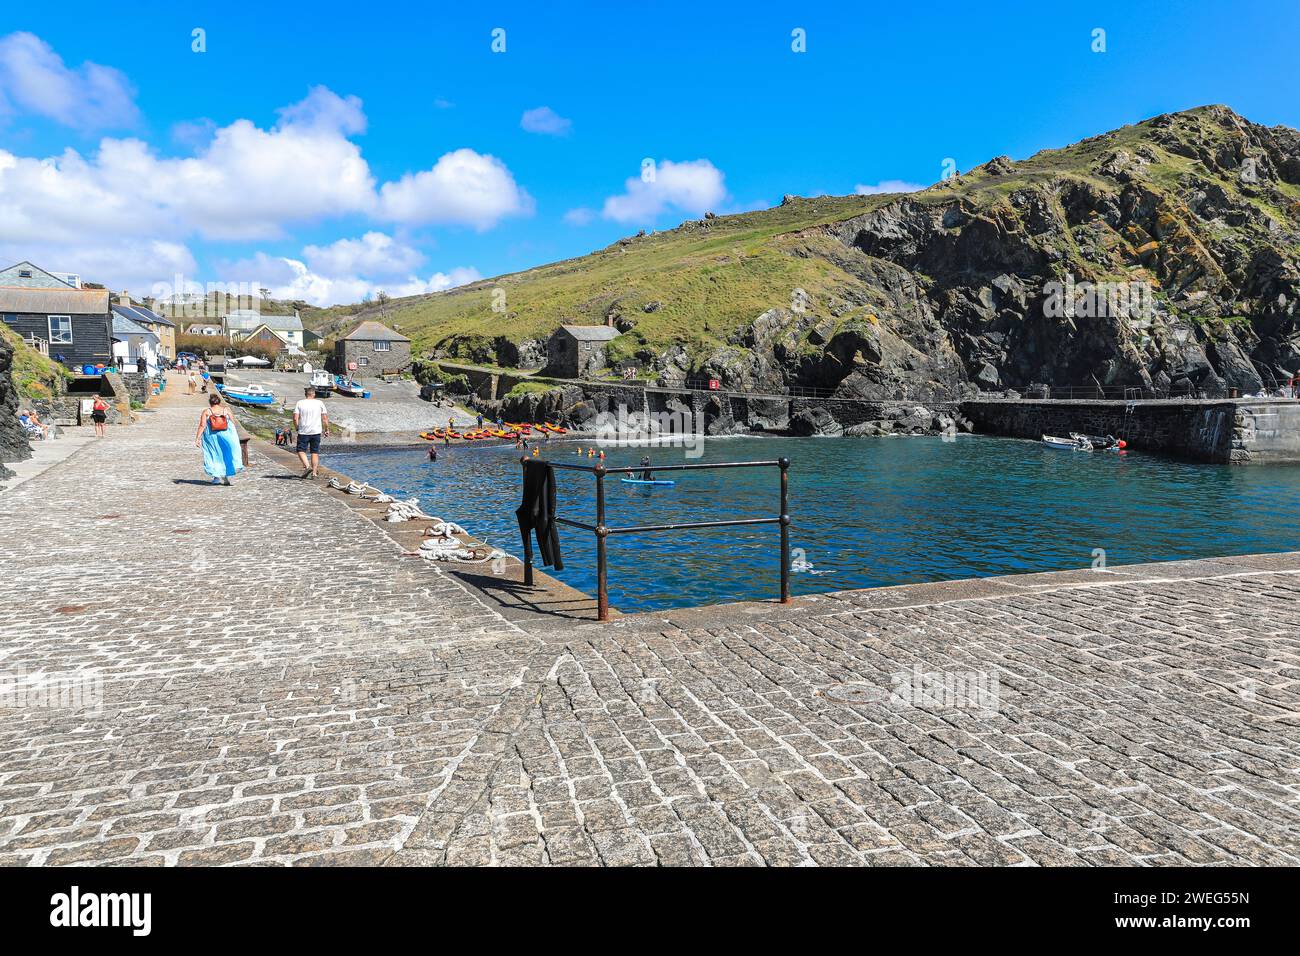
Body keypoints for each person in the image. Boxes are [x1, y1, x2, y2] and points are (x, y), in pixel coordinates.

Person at [194, 393, 242, 485]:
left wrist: (198, 438)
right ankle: (226, 474)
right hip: (226, 436)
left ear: (210, 403)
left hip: (212, 437)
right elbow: (233, 422)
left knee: (214, 455)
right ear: (219, 402)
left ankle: (216, 477)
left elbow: (202, 425)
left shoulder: (207, 411)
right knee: (225, 454)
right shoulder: (226, 410)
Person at [293, 386, 329, 479]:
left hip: (303, 431)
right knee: (314, 452)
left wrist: (297, 428)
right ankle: (314, 473)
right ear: (314, 394)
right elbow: (324, 418)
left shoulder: (300, 403)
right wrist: (326, 429)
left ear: (306, 394)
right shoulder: (320, 403)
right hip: (316, 431)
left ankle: (307, 466)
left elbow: (295, 418)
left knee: (300, 450)